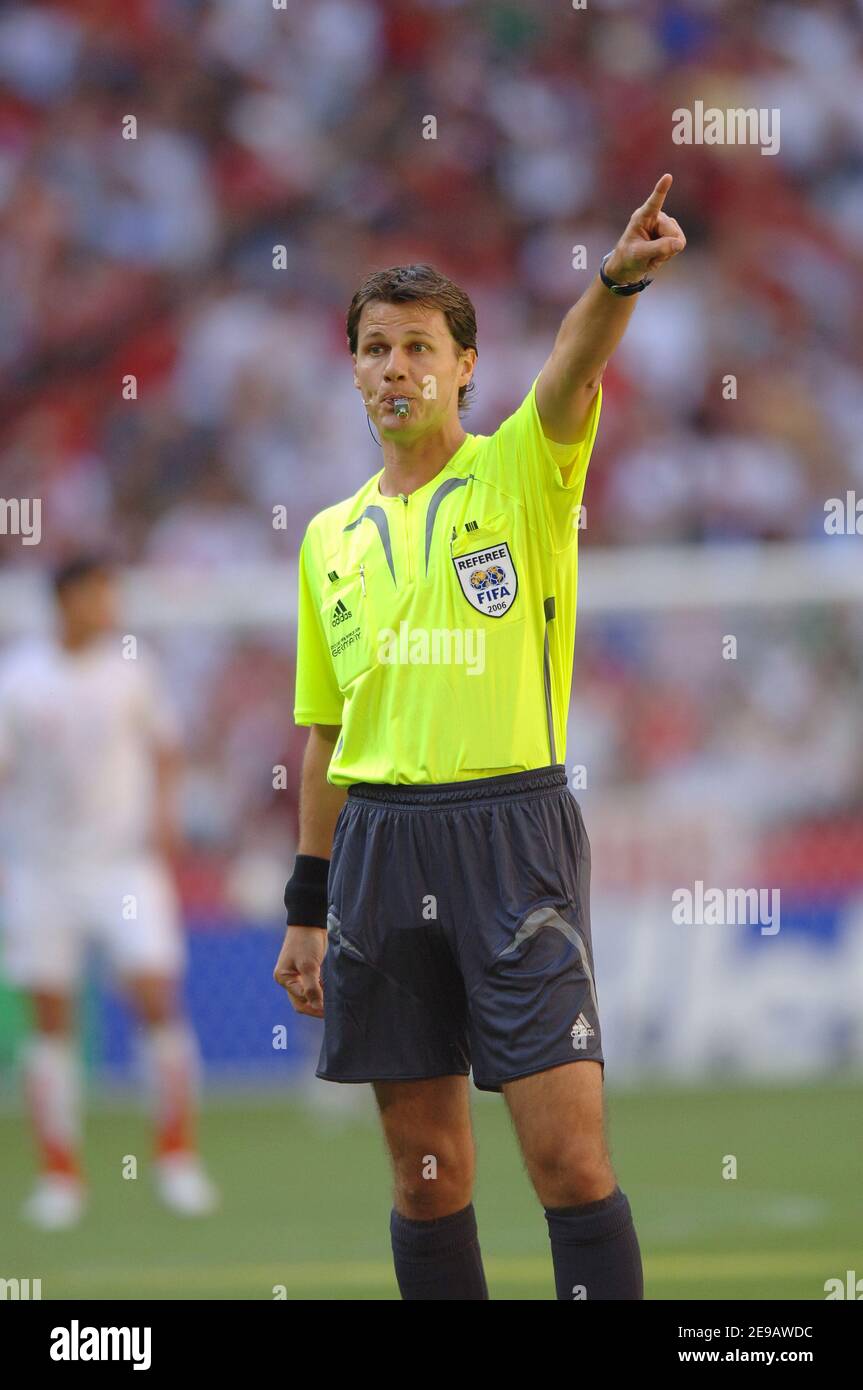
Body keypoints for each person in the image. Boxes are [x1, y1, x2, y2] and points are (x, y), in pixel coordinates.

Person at [274, 177, 686, 1299]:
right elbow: (323, 736)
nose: (394, 367)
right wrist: (305, 906)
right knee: (425, 1175)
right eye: (373, 348)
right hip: (376, 851)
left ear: (463, 367)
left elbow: (573, 362)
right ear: (352, 368)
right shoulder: (326, 540)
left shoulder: (517, 470)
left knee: (565, 1156)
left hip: (511, 834)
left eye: (417, 347)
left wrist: (615, 281)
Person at [0, 555, 218, 1228]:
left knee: (156, 998)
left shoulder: (133, 669)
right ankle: (61, 1173)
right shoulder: (20, 680)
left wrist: (164, 814)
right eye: (98, 595)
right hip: (41, 869)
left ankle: (176, 1157)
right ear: (66, 601)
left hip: (125, 868)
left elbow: (167, 747)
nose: (109, 607)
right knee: (50, 1017)